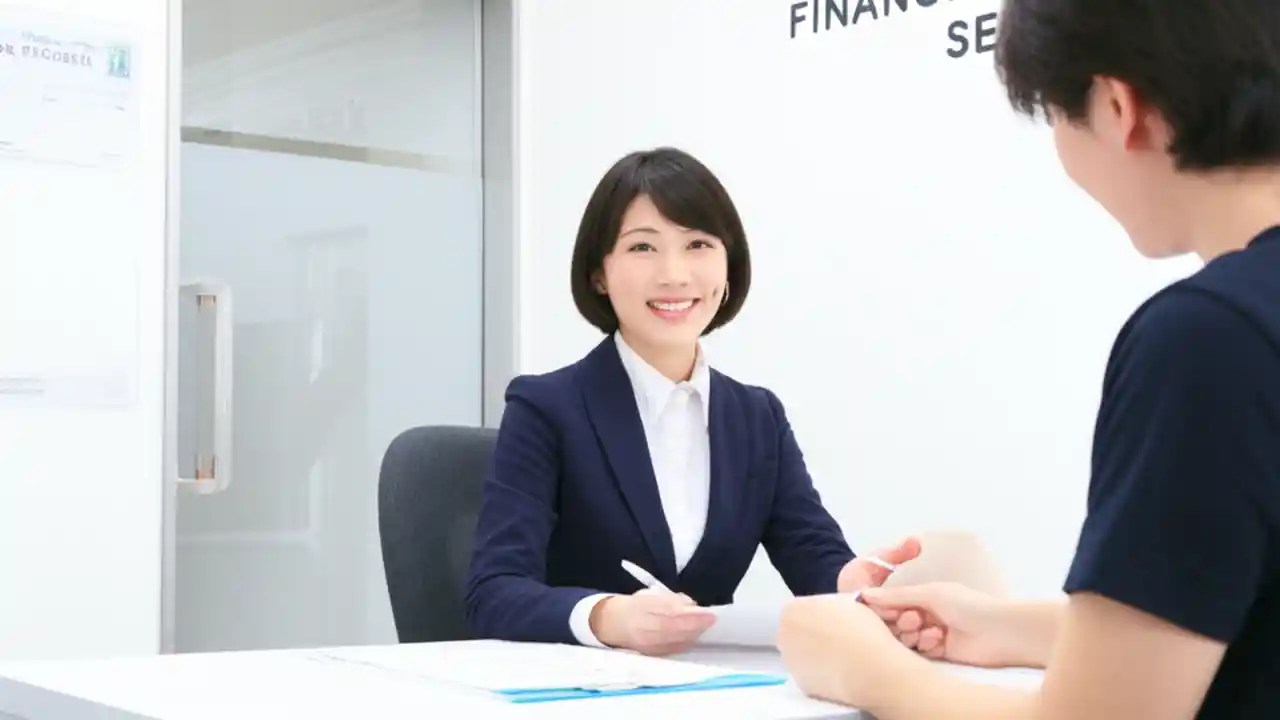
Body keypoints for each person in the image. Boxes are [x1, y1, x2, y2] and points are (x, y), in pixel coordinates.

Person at [777, 0, 1280, 717]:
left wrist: (863, 669)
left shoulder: (1207, 340)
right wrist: (1004, 626)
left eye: (1055, 118)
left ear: (1115, 107)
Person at [466, 147, 919, 656]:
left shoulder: (757, 417)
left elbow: (812, 556)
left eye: (698, 245)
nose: (675, 274)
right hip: (578, 694)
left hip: (713, 692)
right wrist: (608, 616)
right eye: (643, 248)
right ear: (599, 272)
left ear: (728, 268)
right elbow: (494, 592)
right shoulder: (547, 407)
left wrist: (852, 585)